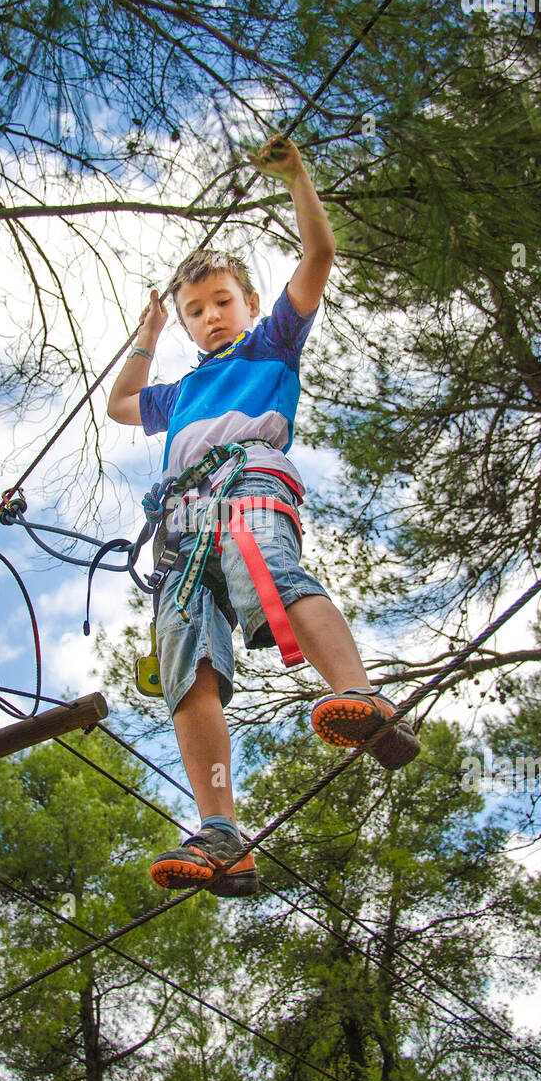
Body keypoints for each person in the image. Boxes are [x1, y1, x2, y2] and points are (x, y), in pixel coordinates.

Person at [107, 136, 419, 898]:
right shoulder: (178, 391)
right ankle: (222, 834)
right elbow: (120, 405)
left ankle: (360, 694)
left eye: (222, 302)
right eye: (195, 311)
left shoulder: (270, 346)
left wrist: (296, 178)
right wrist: (145, 339)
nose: (211, 317)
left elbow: (317, 257)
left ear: (247, 305)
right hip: (178, 528)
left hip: (245, 484)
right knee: (188, 666)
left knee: (268, 573)